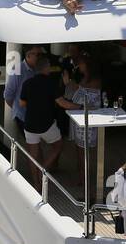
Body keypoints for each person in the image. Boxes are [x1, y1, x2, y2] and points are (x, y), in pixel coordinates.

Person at [18, 50, 64, 184]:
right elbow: (61, 102)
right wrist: (79, 107)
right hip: (46, 124)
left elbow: (22, 103)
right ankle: (43, 168)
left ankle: (37, 185)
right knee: (58, 146)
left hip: (30, 124)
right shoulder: (51, 83)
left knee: (33, 154)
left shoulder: (27, 83)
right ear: (46, 68)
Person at [57, 56, 104, 185]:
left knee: (84, 150)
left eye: (81, 63)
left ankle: (85, 179)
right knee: (78, 149)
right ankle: (81, 177)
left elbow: (82, 94)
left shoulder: (95, 80)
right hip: (79, 117)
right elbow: (77, 91)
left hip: (88, 119)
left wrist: (69, 82)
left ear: (88, 65)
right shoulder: (85, 78)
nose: (79, 66)